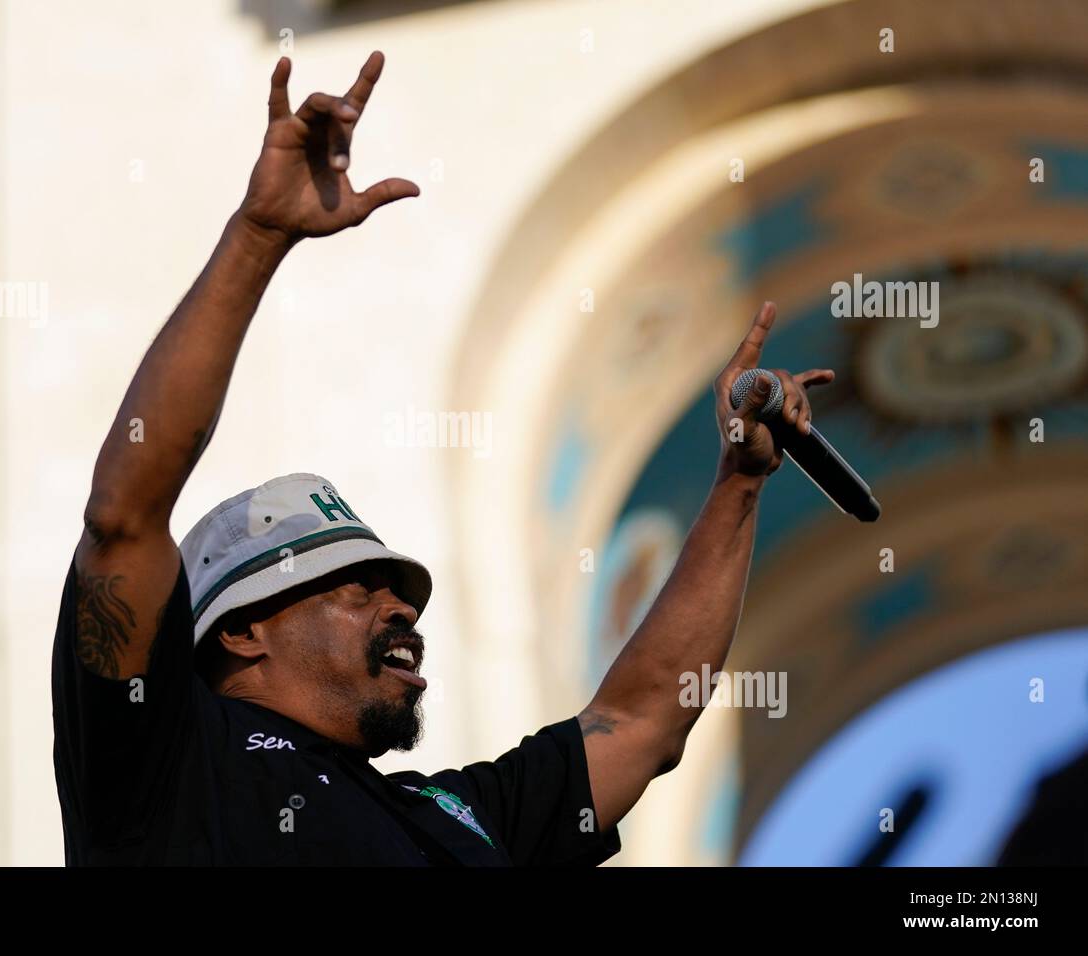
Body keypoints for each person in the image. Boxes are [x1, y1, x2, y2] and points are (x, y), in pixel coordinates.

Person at [50, 50, 835, 865]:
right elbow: (124, 517)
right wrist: (257, 239)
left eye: (399, 593)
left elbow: (643, 720)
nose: (403, 611)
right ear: (246, 632)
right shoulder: (169, 762)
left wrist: (740, 482)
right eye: (362, 591)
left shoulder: (456, 815)